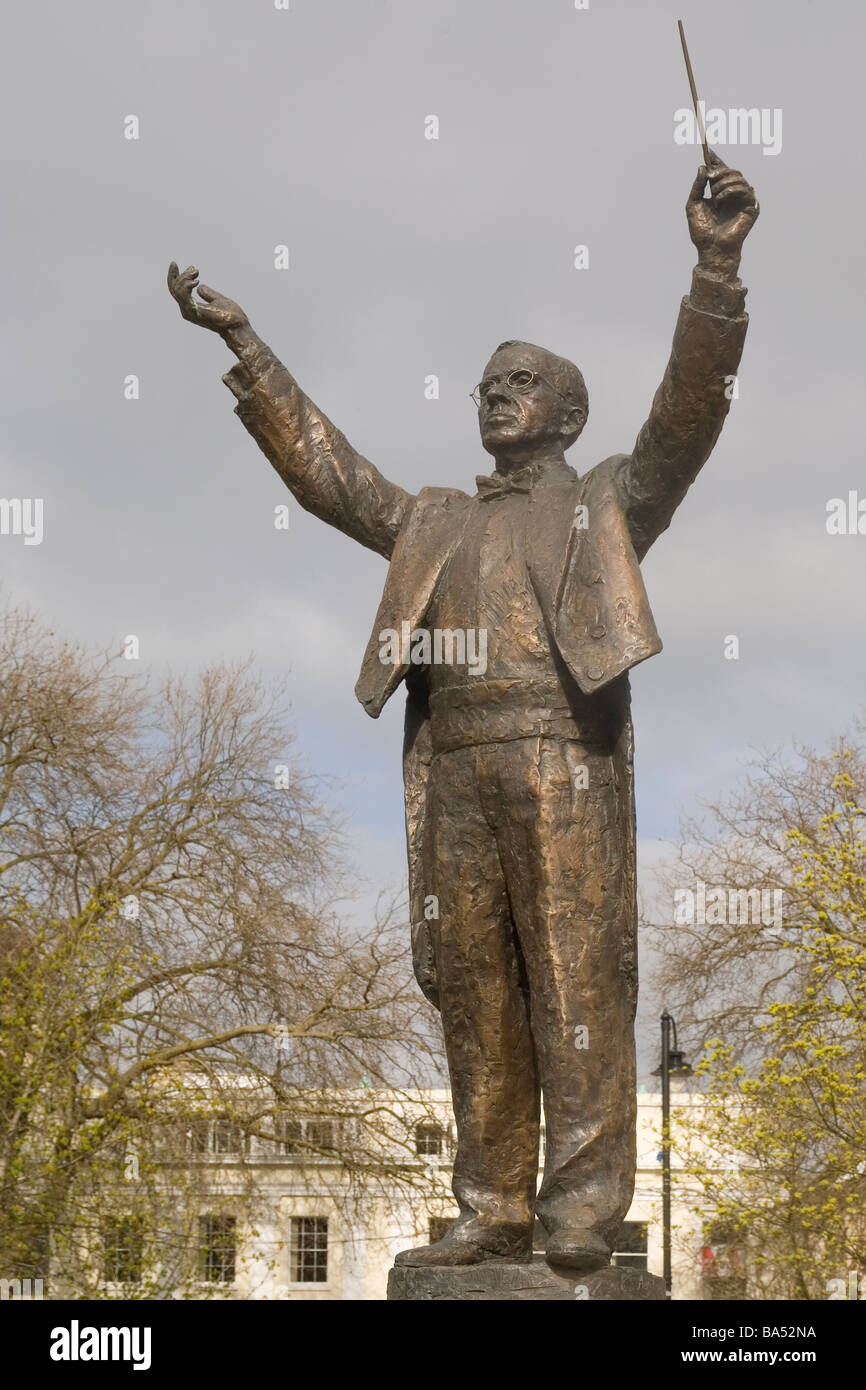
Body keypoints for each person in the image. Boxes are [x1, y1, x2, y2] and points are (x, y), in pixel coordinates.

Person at [168, 153, 758, 1271]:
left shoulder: (603, 503)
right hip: (455, 769)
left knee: (577, 983)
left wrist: (713, 270)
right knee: (475, 986)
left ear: (566, 412)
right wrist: (250, 351)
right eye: (486, 382)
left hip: (561, 758)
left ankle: (579, 1212)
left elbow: (683, 425)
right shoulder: (434, 518)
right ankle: (490, 1203)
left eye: (518, 381)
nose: (493, 394)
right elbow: (330, 478)